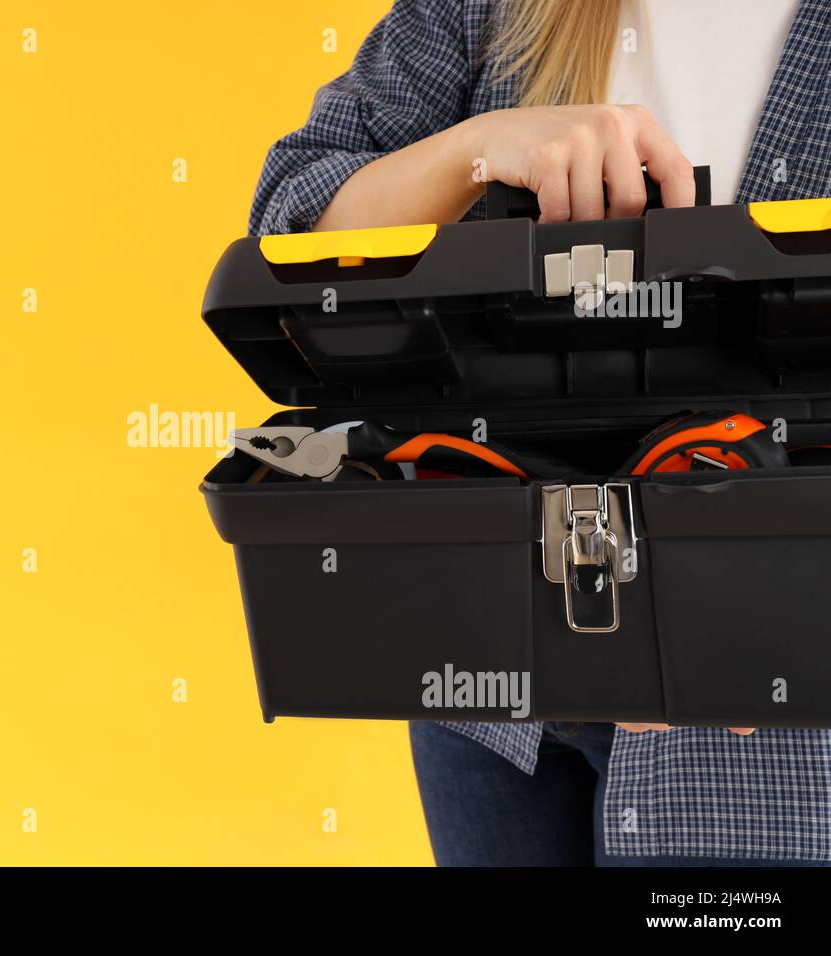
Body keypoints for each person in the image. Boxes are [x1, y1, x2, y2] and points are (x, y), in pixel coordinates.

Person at [250, 0, 831, 865]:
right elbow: (289, 225)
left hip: (770, 703)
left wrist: (763, 608)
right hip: (485, 667)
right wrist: (475, 144)